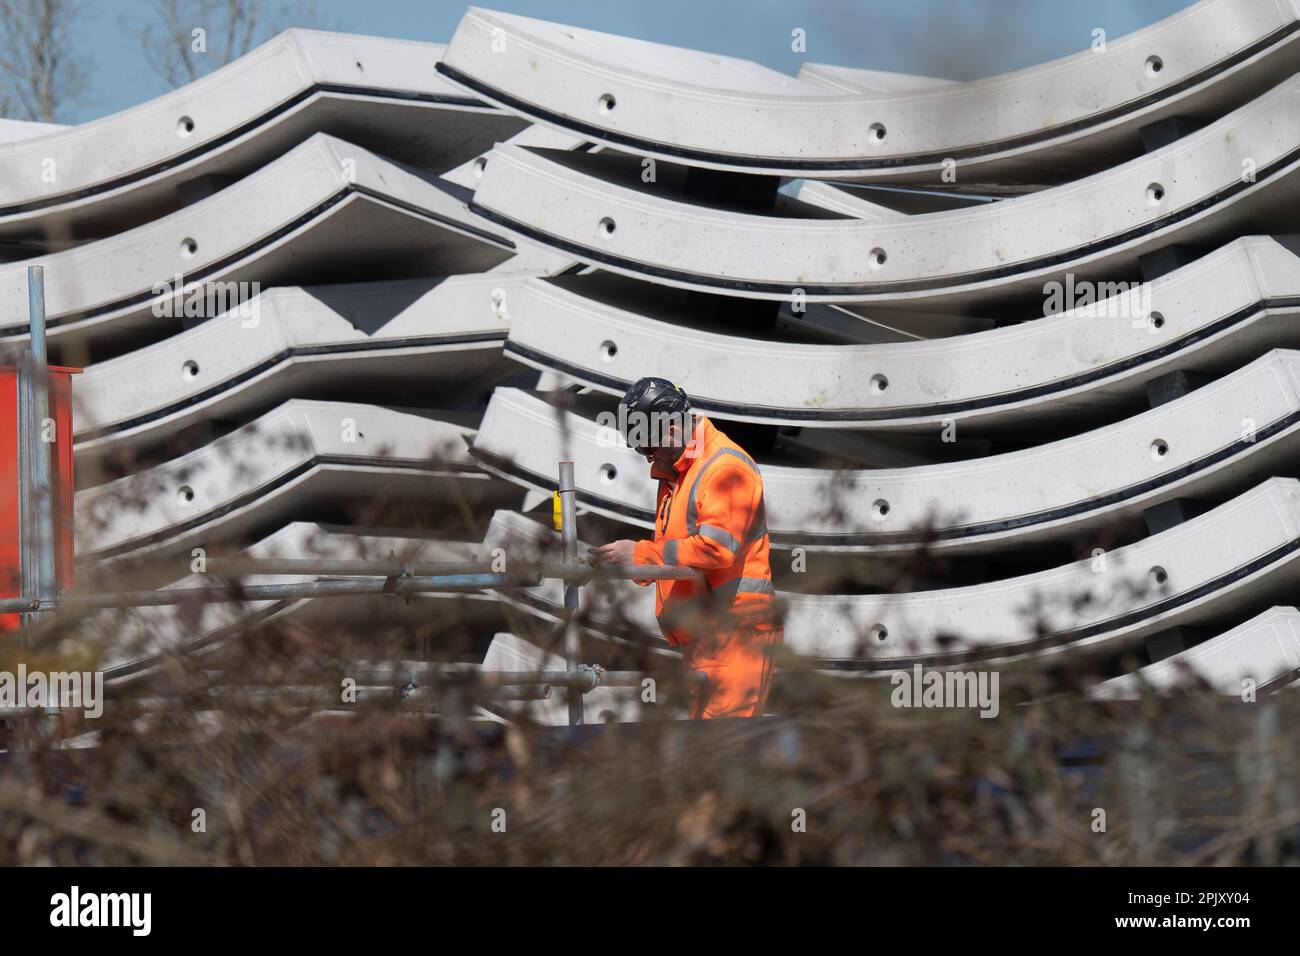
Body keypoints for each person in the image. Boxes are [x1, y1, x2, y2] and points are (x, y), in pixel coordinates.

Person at [591, 378, 781, 718]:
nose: (646, 455)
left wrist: (640, 556)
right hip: (707, 638)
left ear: (672, 428)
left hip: (736, 635)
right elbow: (679, 548)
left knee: (725, 754)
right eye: (639, 448)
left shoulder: (724, 467)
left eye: (648, 445)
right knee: (708, 757)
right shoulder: (679, 472)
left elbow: (716, 549)